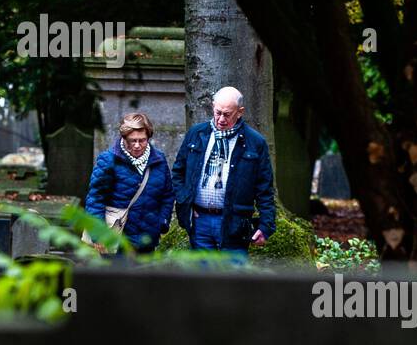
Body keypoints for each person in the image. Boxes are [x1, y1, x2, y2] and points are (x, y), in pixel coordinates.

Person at [172, 86, 276, 252]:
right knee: (203, 276)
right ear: (213, 106)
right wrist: (185, 202)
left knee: (232, 277)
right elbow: (178, 173)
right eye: (217, 112)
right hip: (199, 221)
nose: (221, 119)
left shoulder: (255, 142)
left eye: (227, 114)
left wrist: (266, 225)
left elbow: (265, 188)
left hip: (235, 224)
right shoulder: (196, 134)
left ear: (240, 112)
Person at [84, 112, 175, 252]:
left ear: (148, 138)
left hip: (147, 240)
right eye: (133, 140)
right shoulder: (108, 160)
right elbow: (95, 199)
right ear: (124, 138)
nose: (137, 145)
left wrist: (162, 222)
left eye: (142, 140)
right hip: (116, 240)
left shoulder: (159, 160)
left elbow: (167, 195)